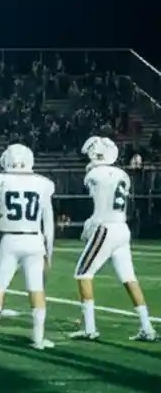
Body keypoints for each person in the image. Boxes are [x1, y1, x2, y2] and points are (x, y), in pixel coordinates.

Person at [70, 136, 156, 342]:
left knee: (82, 274)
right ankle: (147, 327)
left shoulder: (94, 174)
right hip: (122, 228)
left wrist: (90, 226)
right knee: (129, 278)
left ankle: (89, 328)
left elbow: (100, 206)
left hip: (106, 227)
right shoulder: (123, 174)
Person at [0, 144, 55, 349]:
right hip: (34, 239)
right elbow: (48, 223)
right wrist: (49, 251)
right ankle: (38, 338)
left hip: (9, 239)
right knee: (36, 289)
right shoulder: (44, 183)